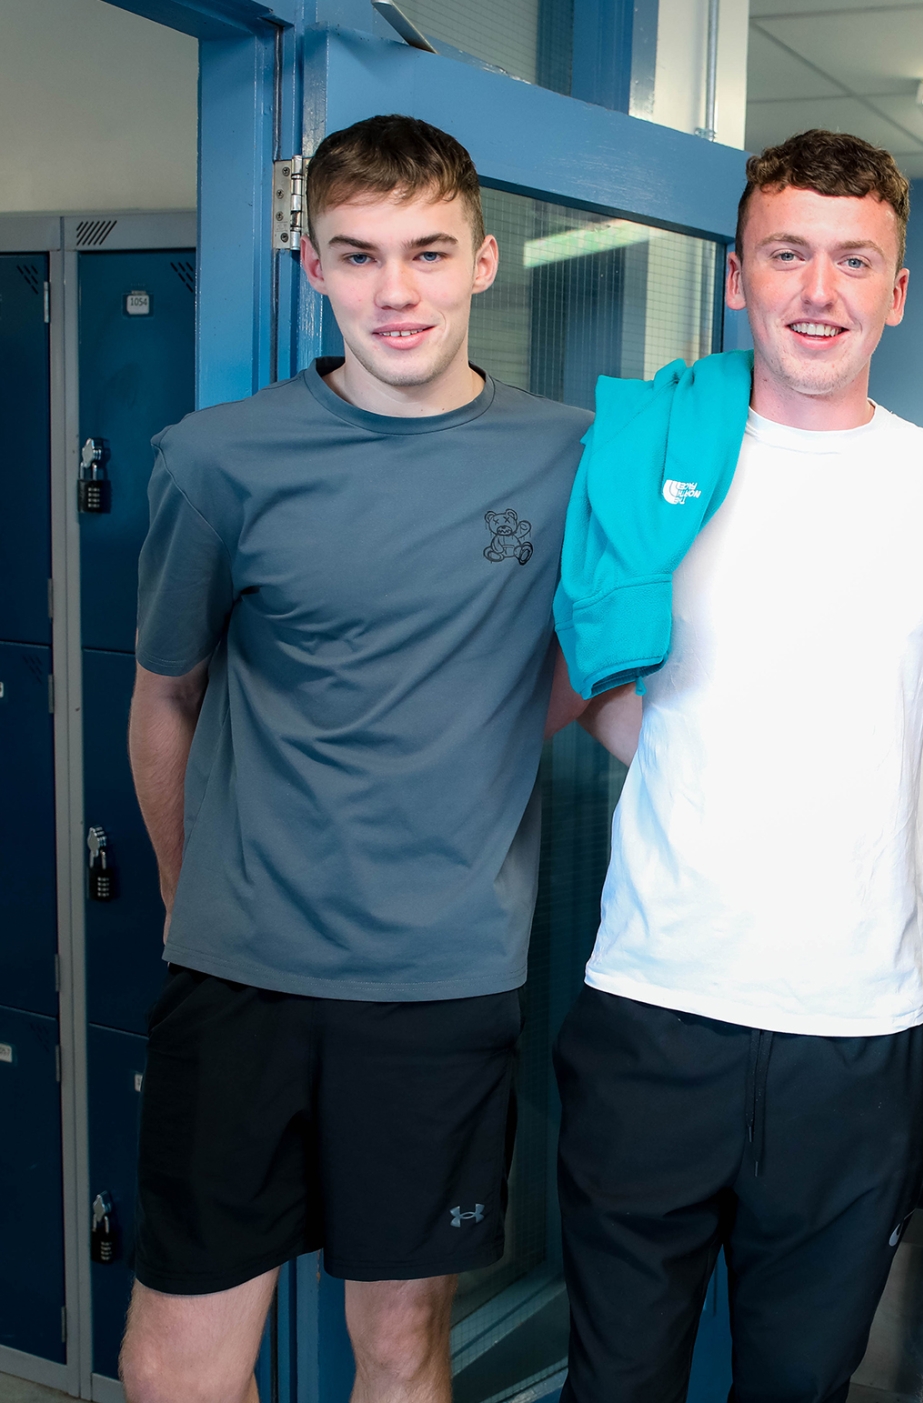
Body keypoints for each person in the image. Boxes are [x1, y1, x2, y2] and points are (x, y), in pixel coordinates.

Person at [121, 115, 591, 1403]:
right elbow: (165, 696)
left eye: (430, 252)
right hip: (240, 974)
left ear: (485, 262)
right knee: (179, 1357)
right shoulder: (218, 460)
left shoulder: (565, 457)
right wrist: (182, 891)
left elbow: (565, 669)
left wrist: (468, 733)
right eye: (360, 254)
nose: (398, 291)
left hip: (439, 986)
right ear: (314, 268)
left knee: (401, 1344)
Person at [552, 129, 923, 1403]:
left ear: (898, 291)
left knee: (803, 1383)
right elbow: (593, 688)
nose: (820, 290)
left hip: (857, 1035)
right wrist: (715, 772)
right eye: (788, 255)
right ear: (738, 278)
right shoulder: (645, 460)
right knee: (617, 1382)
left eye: (855, 259)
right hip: (654, 1005)